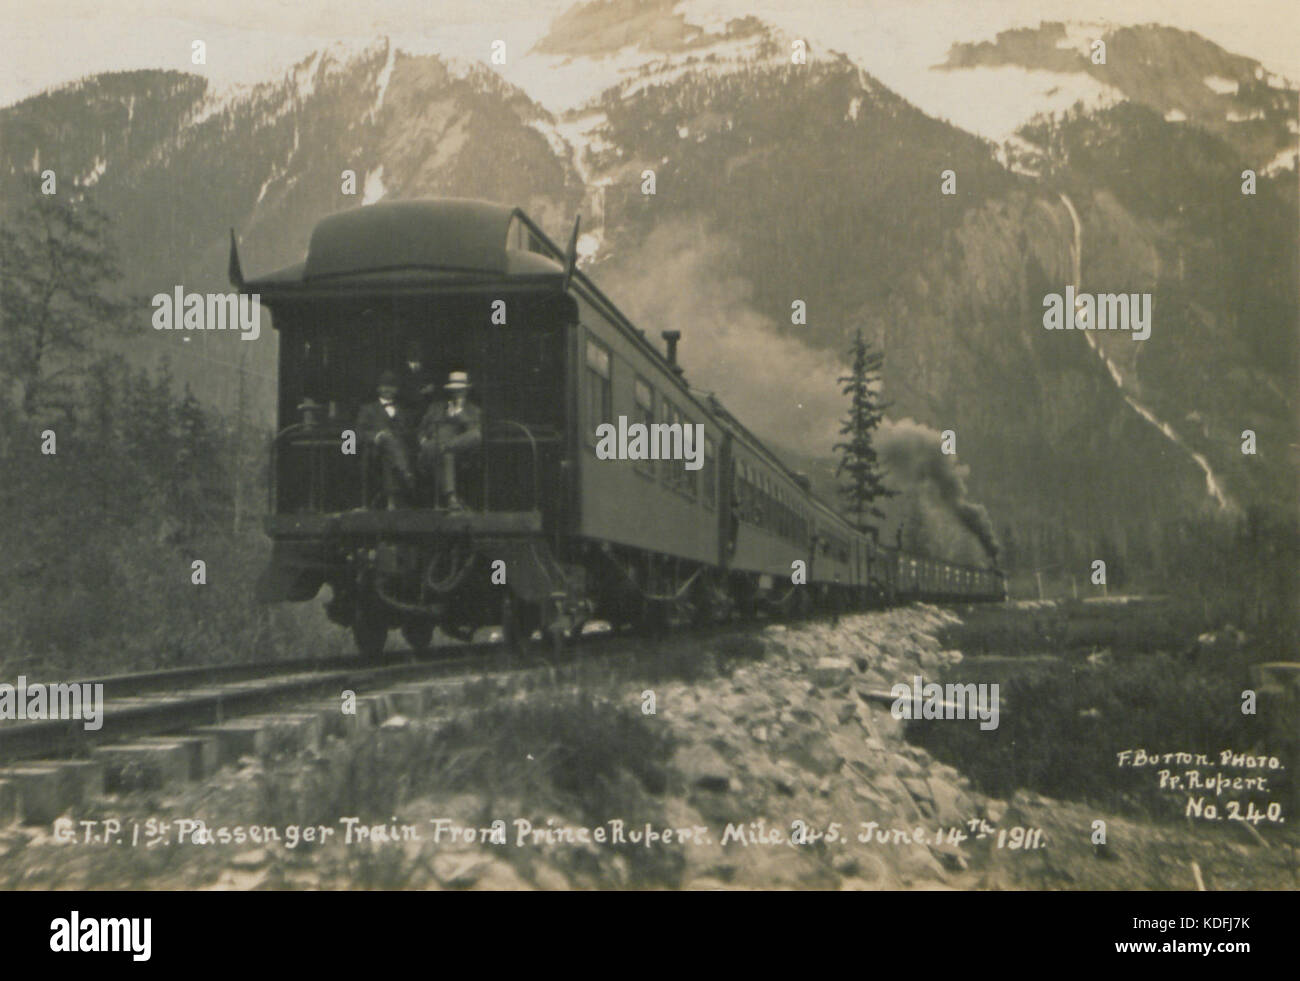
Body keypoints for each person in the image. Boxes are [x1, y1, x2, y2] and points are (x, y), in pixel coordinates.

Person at [418, 370, 482, 510]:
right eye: (454, 391)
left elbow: (474, 433)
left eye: (460, 391)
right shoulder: (436, 407)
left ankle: (452, 498)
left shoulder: (473, 410)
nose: (457, 394)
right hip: (432, 450)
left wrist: (459, 413)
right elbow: (421, 430)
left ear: (466, 391)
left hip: (460, 453)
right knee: (445, 453)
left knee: (474, 436)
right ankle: (452, 499)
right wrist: (424, 442)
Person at [355, 370, 415, 509]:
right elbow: (358, 433)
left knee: (390, 451)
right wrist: (377, 436)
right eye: (384, 386)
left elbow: (408, 433)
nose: (388, 389)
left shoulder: (402, 410)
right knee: (387, 439)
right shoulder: (367, 409)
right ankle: (405, 473)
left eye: (392, 386)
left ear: (397, 390)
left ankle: (392, 502)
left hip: (398, 451)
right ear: (378, 389)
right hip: (373, 451)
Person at [400, 338, 437, 416]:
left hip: (426, 412)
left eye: (418, 349)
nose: (415, 351)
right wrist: (421, 392)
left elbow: (434, 390)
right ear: (406, 351)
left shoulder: (428, 369)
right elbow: (400, 392)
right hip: (405, 411)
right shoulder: (399, 370)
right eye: (411, 348)